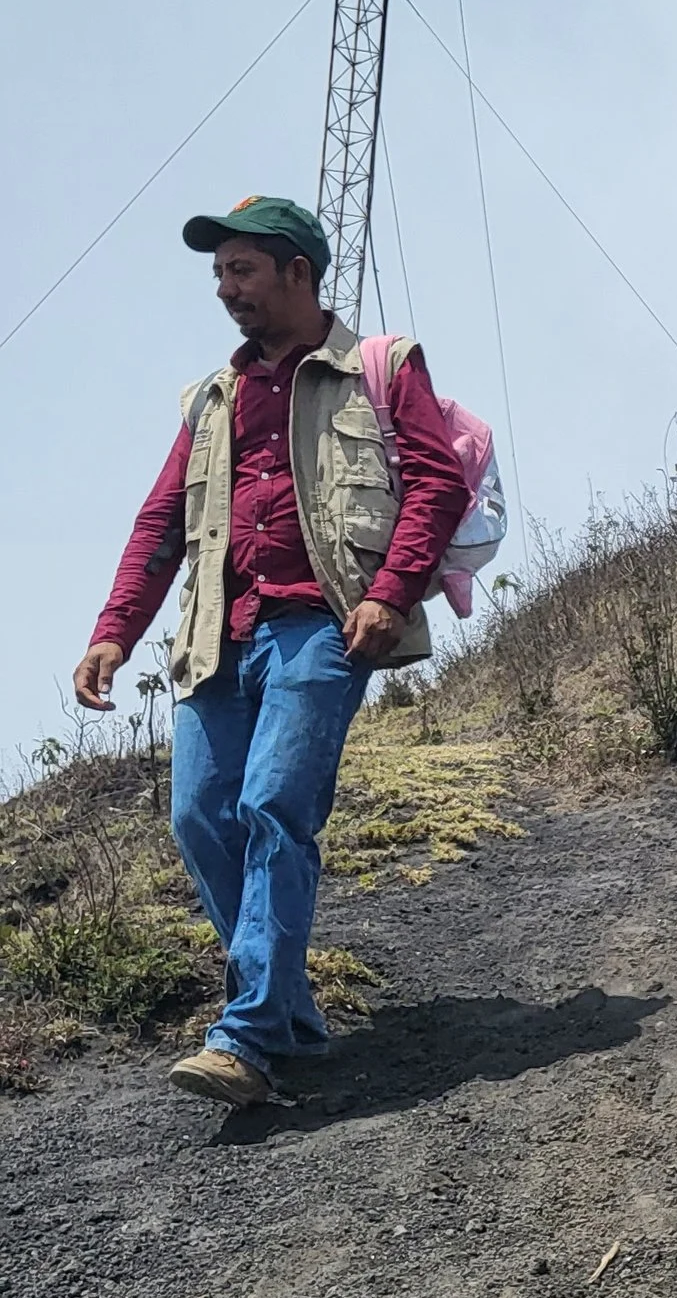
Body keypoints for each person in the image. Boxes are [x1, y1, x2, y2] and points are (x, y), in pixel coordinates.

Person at [72, 197, 471, 1109]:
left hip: (322, 624)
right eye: (218, 273)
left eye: (242, 269)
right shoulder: (212, 397)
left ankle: (246, 1035)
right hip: (222, 631)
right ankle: (288, 1014)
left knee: (272, 805)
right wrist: (113, 630)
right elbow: (159, 524)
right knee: (199, 817)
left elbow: (437, 481)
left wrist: (388, 590)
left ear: (300, 271)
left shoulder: (379, 367)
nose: (225, 289)